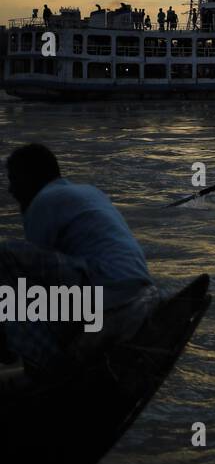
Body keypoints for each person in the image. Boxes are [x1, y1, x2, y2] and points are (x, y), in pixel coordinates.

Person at [2, 144, 158, 373]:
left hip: (108, 299)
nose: (11, 190)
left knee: (5, 259)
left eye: (14, 180)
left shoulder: (43, 203)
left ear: (29, 177)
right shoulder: (88, 191)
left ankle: (47, 365)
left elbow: (35, 287)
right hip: (143, 292)